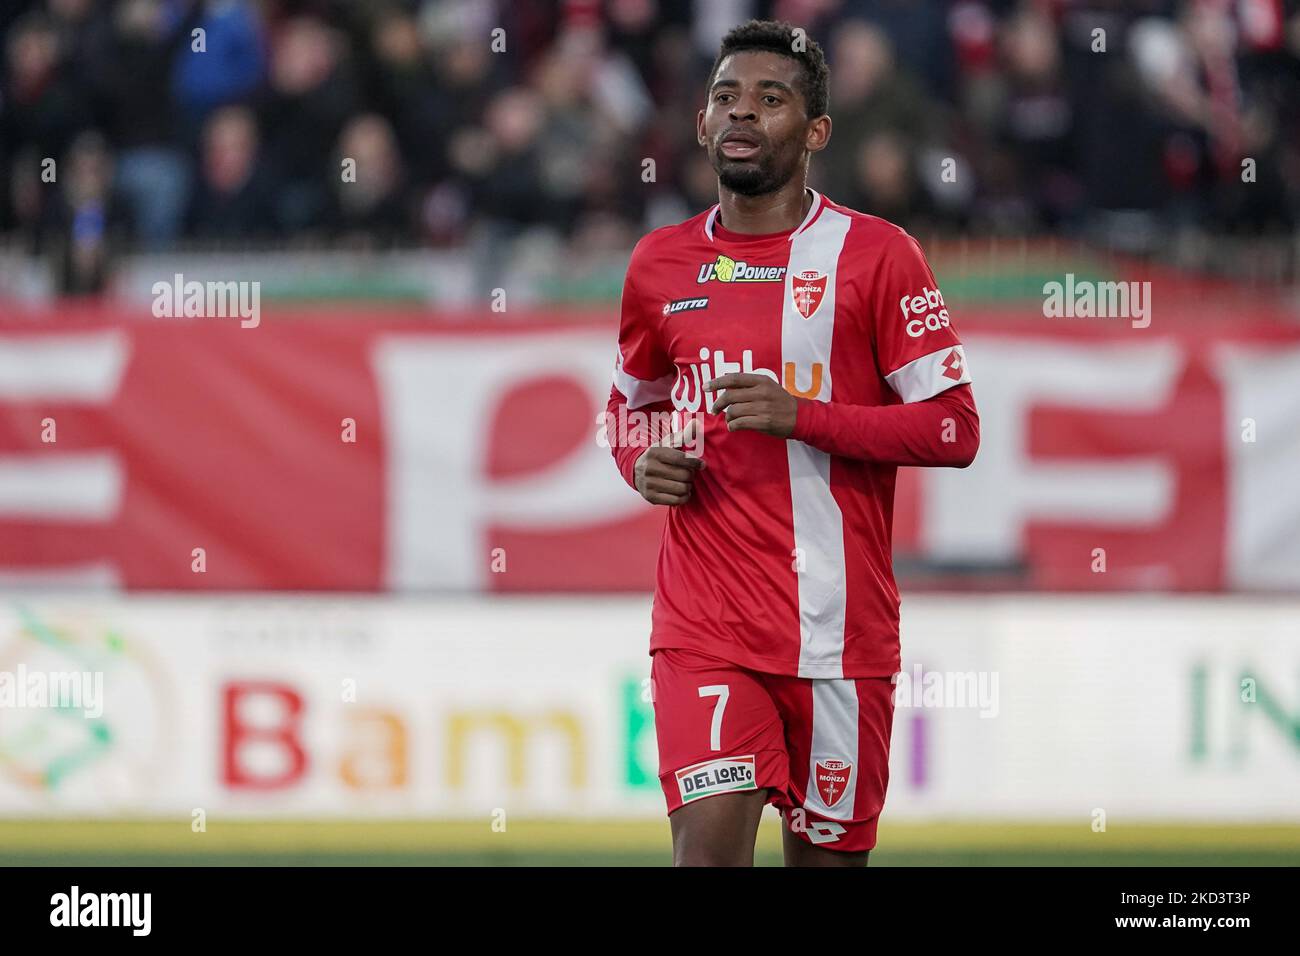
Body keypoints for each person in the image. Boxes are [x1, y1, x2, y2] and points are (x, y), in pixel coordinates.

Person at [605, 19, 980, 866]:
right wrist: (640, 460)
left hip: (841, 636)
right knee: (707, 857)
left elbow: (954, 428)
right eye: (725, 97)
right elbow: (627, 407)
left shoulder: (878, 256)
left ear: (816, 132)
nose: (741, 113)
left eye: (770, 99)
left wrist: (802, 415)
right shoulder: (659, 264)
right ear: (701, 123)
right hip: (706, 626)